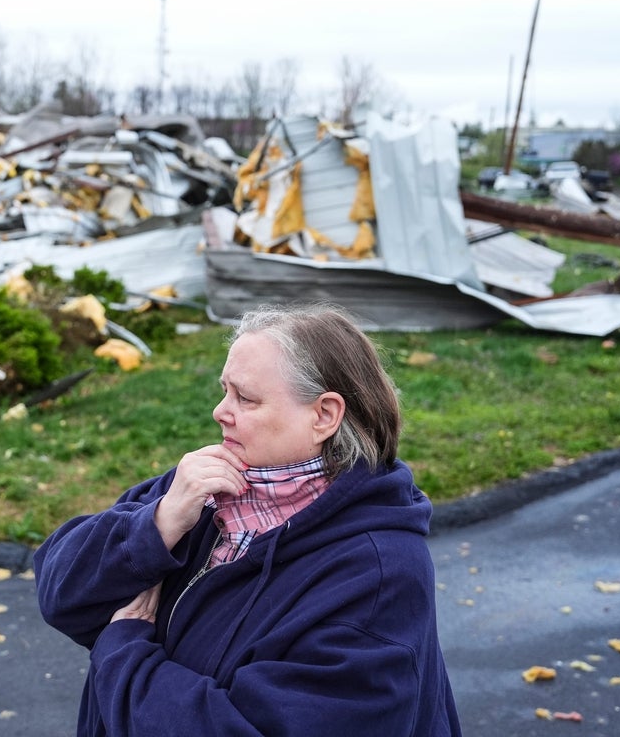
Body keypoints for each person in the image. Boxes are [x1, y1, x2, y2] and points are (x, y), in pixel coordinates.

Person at [34, 302, 461, 736]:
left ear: (324, 416)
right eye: (225, 391)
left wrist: (122, 649)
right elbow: (61, 593)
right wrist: (157, 525)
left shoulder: (378, 576)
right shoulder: (202, 490)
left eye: (245, 398)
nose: (220, 411)